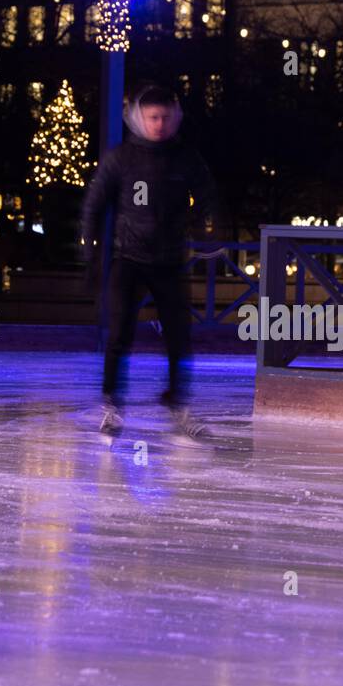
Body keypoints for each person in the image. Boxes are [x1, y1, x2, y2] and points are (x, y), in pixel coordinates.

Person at [80, 84, 220, 439]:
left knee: (178, 336)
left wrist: (208, 231)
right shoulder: (121, 158)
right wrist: (92, 252)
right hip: (129, 259)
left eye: (165, 117)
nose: (159, 125)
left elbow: (208, 196)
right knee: (119, 334)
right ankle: (112, 404)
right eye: (152, 117)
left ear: (175, 118)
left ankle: (178, 402)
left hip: (170, 260)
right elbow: (94, 204)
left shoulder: (185, 157)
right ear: (139, 118)